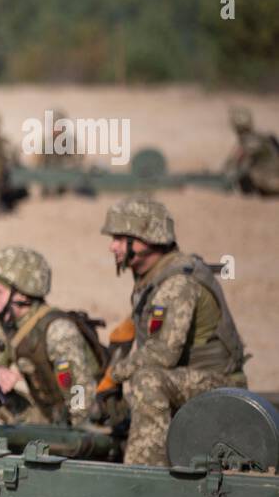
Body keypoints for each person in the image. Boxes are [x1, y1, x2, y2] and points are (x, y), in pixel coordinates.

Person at [100, 198, 249, 465]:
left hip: (219, 382)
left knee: (148, 380)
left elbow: (163, 355)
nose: (112, 246)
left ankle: (145, 477)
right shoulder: (155, 275)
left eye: (120, 238)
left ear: (144, 241)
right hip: (193, 378)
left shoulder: (177, 282)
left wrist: (114, 375)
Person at [0, 246, 104, 426]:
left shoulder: (58, 331)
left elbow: (80, 390)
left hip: (89, 418)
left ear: (22, 295)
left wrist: (78, 434)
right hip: (50, 416)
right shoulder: (8, 324)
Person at [226, 107, 279, 195]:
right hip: (273, 179)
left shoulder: (248, 141)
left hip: (270, 184)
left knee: (244, 174)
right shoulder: (264, 137)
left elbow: (234, 164)